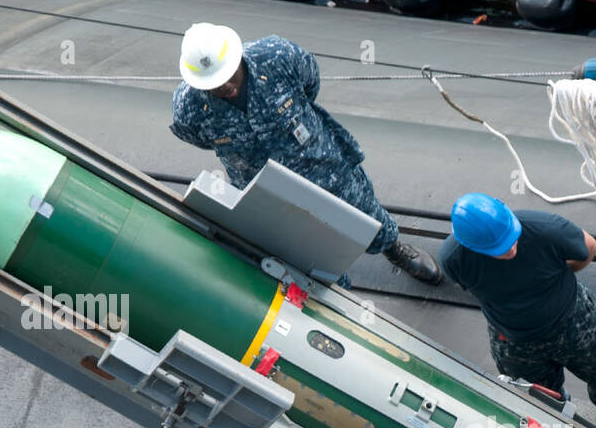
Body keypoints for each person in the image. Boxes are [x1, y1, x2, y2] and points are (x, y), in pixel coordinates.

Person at [170, 23, 441, 286]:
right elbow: (196, 137)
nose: (227, 86)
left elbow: (310, 83)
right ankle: (336, 292)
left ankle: (393, 249)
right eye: (215, 84)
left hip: (322, 165)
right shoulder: (188, 107)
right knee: (301, 249)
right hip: (265, 190)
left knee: (364, 212)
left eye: (230, 75)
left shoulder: (278, 56)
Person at [438, 194, 596, 428]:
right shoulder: (453, 258)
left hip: (574, 322)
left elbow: (589, 247)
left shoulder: (545, 229)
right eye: (499, 249)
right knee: (537, 398)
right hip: (515, 340)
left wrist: (559, 279)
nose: (510, 248)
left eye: (511, 239)